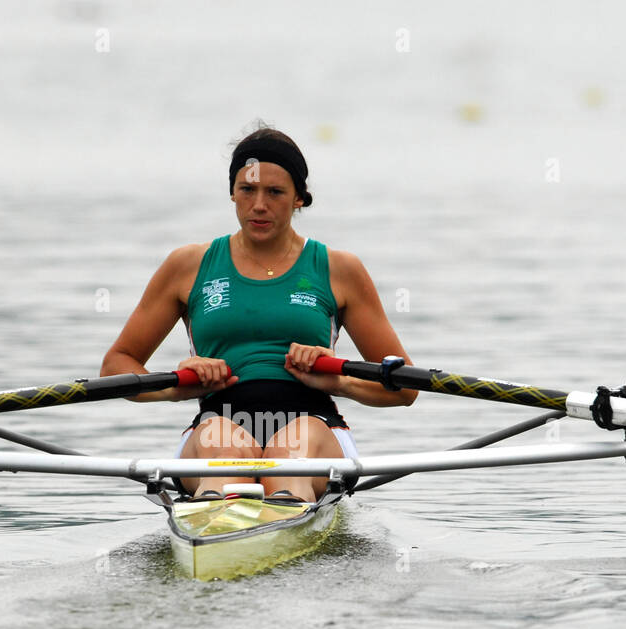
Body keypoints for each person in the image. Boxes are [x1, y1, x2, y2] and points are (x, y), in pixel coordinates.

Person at [100, 125, 416, 504]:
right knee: (221, 442)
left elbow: (404, 388)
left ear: (299, 198)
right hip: (218, 422)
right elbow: (116, 365)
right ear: (232, 192)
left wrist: (338, 378)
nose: (259, 205)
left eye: (275, 192)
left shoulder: (338, 269)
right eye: (247, 190)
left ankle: (276, 508)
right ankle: (220, 514)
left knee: (291, 450)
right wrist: (175, 388)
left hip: (314, 426)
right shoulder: (187, 266)